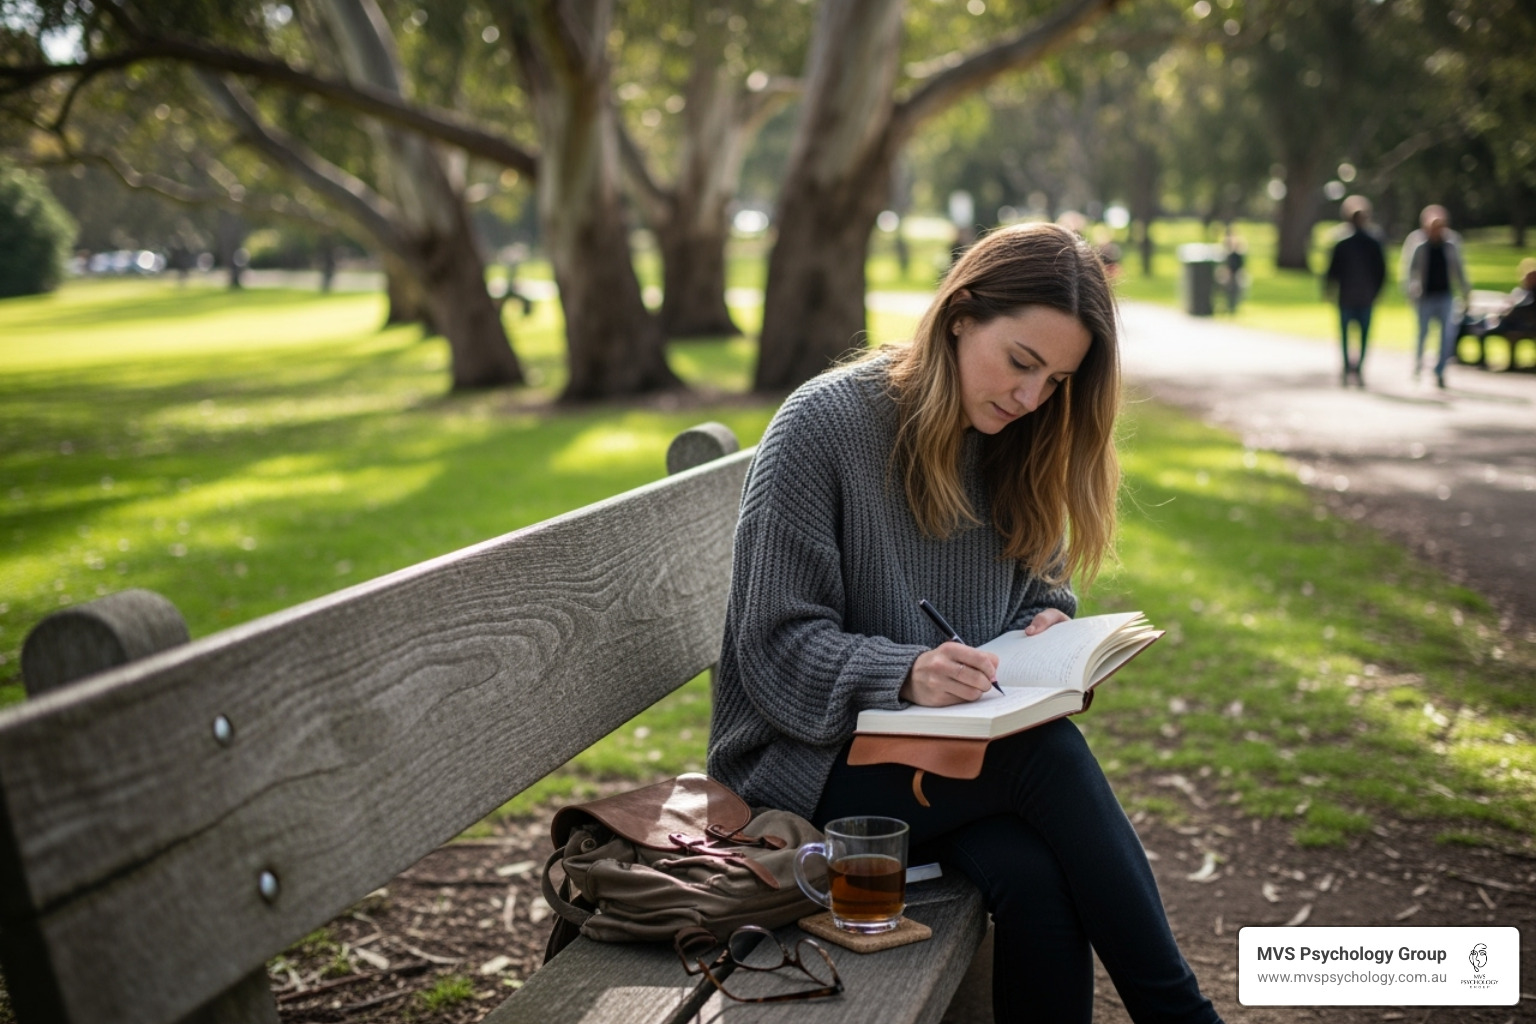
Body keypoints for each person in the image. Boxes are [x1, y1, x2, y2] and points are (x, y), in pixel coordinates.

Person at [708, 222, 1224, 1024]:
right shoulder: (825, 427)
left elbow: (1036, 583)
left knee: (1036, 874)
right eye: (1021, 363)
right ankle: (1180, 1014)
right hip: (808, 767)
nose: (1030, 398)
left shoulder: (1016, 437)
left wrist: (1048, 618)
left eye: (1055, 380)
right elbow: (773, 650)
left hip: (945, 766)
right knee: (1043, 756)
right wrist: (904, 672)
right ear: (960, 315)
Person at [1399, 204, 1470, 388]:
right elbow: (1409, 269)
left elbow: (1459, 269)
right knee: (1423, 333)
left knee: (1447, 335)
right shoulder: (1418, 243)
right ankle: (1418, 364)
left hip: (1445, 295)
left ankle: (1440, 370)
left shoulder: (1451, 243)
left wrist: (1466, 291)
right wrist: (1409, 290)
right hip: (1425, 296)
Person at [1323, 196, 1387, 387]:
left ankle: (1352, 368)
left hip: (1353, 296)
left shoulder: (1352, 242)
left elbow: (1332, 271)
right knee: (1358, 336)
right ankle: (1353, 368)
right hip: (1359, 296)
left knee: (1350, 335)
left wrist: (1329, 289)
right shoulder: (1362, 242)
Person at [1220, 228, 1246, 314]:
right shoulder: (1227, 252)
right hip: (1228, 275)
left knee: (1236, 290)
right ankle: (1228, 306)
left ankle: (1233, 307)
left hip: (1236, 274)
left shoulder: (1238, 253)